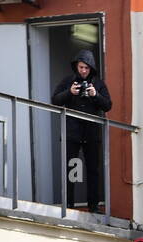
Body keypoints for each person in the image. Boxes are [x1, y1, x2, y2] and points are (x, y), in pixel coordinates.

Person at [51, 50, 112, 214]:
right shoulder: (68, 82)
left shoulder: (98, 84)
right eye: (80, 67)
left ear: (91, 68)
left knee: (93, 170)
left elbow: (108, 105)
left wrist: (95, 95)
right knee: (71, 169)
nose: (83, 70)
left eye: (86, 67)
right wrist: (69, 92)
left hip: (91, 133)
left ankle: (94, 205)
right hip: (72, 133)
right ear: (76, 67)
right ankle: (69, 204)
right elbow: (55, 100)